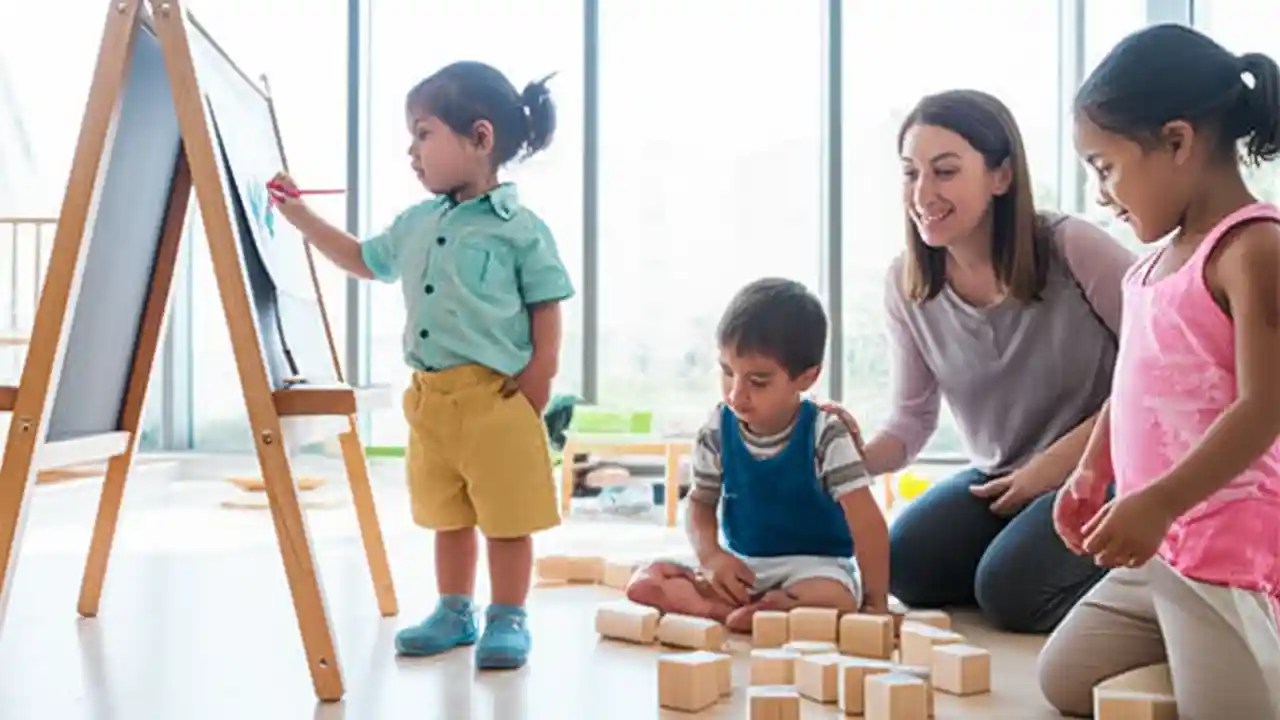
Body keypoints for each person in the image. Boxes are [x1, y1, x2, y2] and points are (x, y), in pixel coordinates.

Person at [268, 61, 574, 670]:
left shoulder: (522, 230)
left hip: (497, 399)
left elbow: (547, 301)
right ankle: (454, 609)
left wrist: (541, 373)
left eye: (423, 133)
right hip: (432, 402)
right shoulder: (415, 223)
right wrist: (299, 216)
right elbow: (361, 259)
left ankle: (508, 617)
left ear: (479, 138)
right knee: (447, 513)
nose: (411, 151)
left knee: (507, 519)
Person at [825, 89, 1137, 633]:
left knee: (1011, 593)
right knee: (904, 566)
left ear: (1001, 176)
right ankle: (1032, 555)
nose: (923, 193)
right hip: (1002, 475)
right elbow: (911, 420)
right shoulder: (907, 284)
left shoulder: (1071, 247)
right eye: (910, 173)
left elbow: (1160, 373)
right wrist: (853, 459)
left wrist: (1051, 469)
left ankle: (1150, 572)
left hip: (1111, 467)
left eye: (944, 171)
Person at [1037, 24, 1280, 718]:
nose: (1102, 194)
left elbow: (1265, 409)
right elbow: (1133, 384)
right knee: (1063, 678)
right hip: (1161, 547)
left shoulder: (1253, 248)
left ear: (1176, 142)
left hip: (1226, 550)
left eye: (1105, 166)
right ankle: (1204, 649)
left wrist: (1160, 501)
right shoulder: (1149, 265)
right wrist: (1091, 468)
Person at [625, 278, 890, 632]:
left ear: (806, 378)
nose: (736, 394)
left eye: (758, 381)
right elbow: (700, 505)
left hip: (814, 567)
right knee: (652, 575)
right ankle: (752, 609)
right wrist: (712, 557)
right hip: (744, 565)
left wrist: (876, 603)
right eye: (727, 372)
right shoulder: (717, 430)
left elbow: (867, 522)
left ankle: (759, 608)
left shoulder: (825, 433)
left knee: (836, 595)